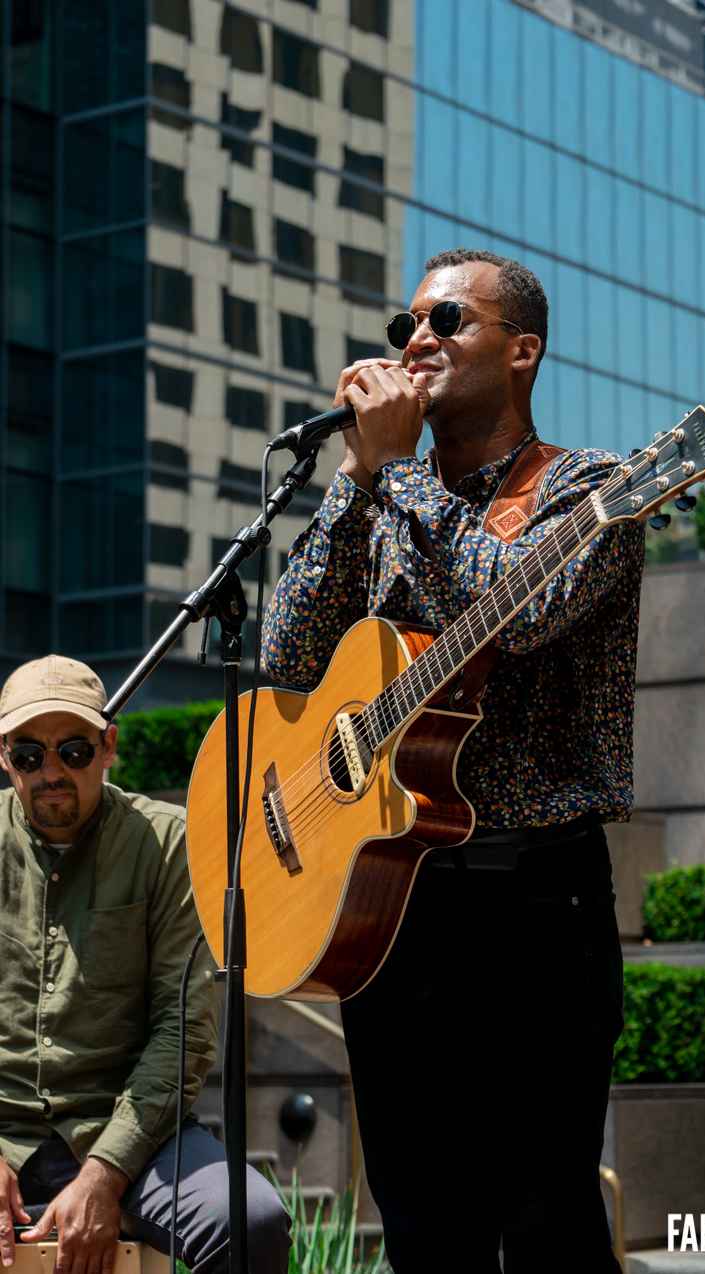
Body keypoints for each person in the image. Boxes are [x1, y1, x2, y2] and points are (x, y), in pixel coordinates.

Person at [262, 248, 644, 1272]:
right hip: (390, 910)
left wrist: (397, 480)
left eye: (444, 319)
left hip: (533, 908)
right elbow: (287, 656)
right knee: (425, 1231)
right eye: (405, 327)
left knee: (550, 1227)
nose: (415, 340)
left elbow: (526, 607)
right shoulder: (380, 497)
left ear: (521, 350)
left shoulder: (590, 484)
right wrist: (356, 482)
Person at [0, 654, 290, 1274]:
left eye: (73, 750)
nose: (50, 771)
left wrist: (106, 1172)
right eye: (29, 755)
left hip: (131, 1138)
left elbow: (181, 1032)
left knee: (250, 1222)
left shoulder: (170, 844)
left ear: (108, 746)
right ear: (4, 756)